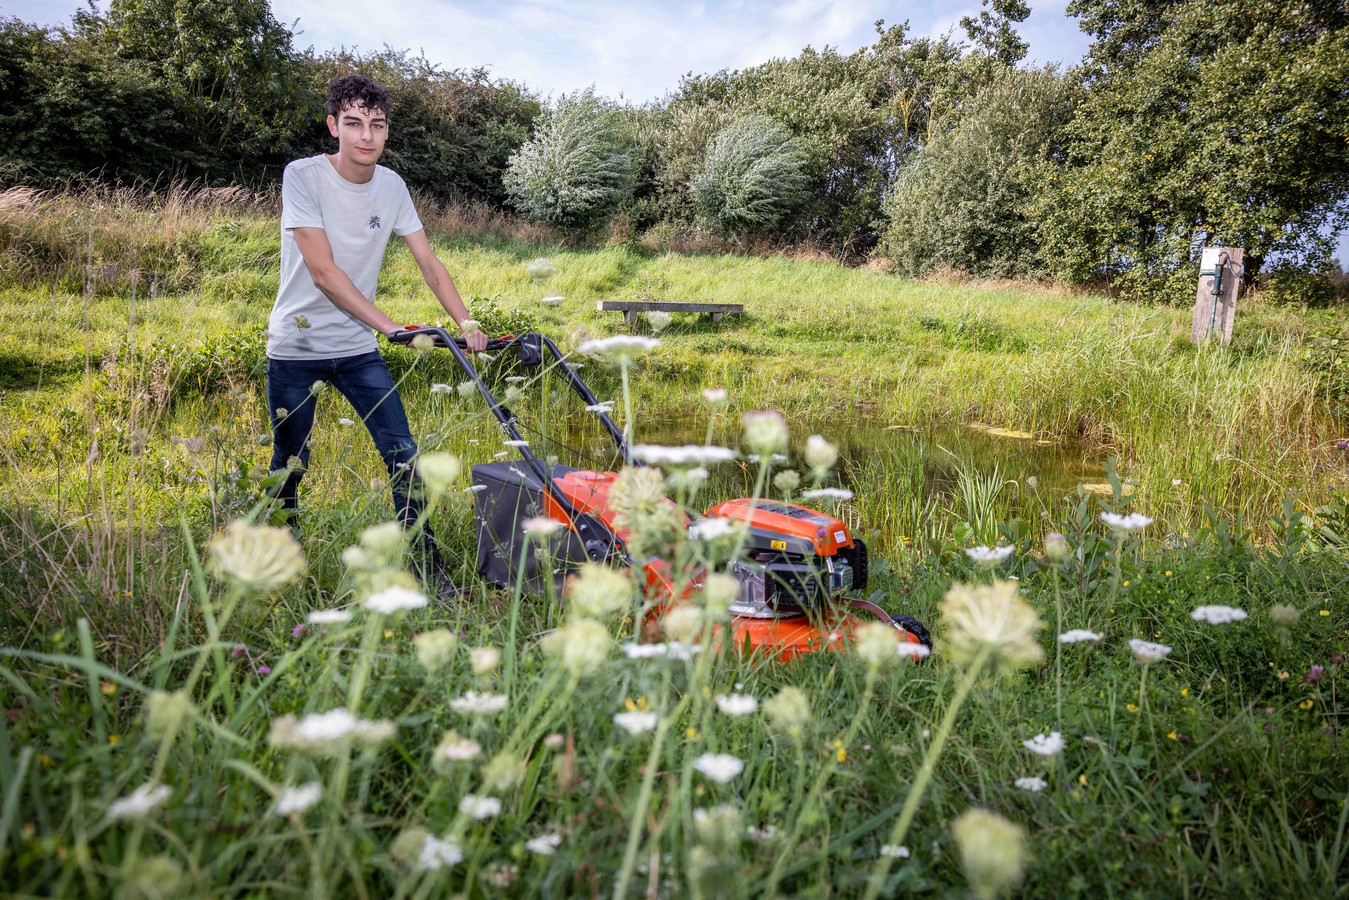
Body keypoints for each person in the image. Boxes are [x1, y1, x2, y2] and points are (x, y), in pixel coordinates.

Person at [264, 74, 486, 589]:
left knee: (404, 454)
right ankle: (284, 553)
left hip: (358, 350)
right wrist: (391, 327)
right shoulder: (303, 176)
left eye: (377, 125)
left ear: (387, 133)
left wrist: (466, 322)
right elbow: (322, 271)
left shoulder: (392, 187)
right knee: (291, 460)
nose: (366, 135)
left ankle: (427, 569)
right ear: (333, 127)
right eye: (354, 123)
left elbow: (428, 262)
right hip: (297, 349)